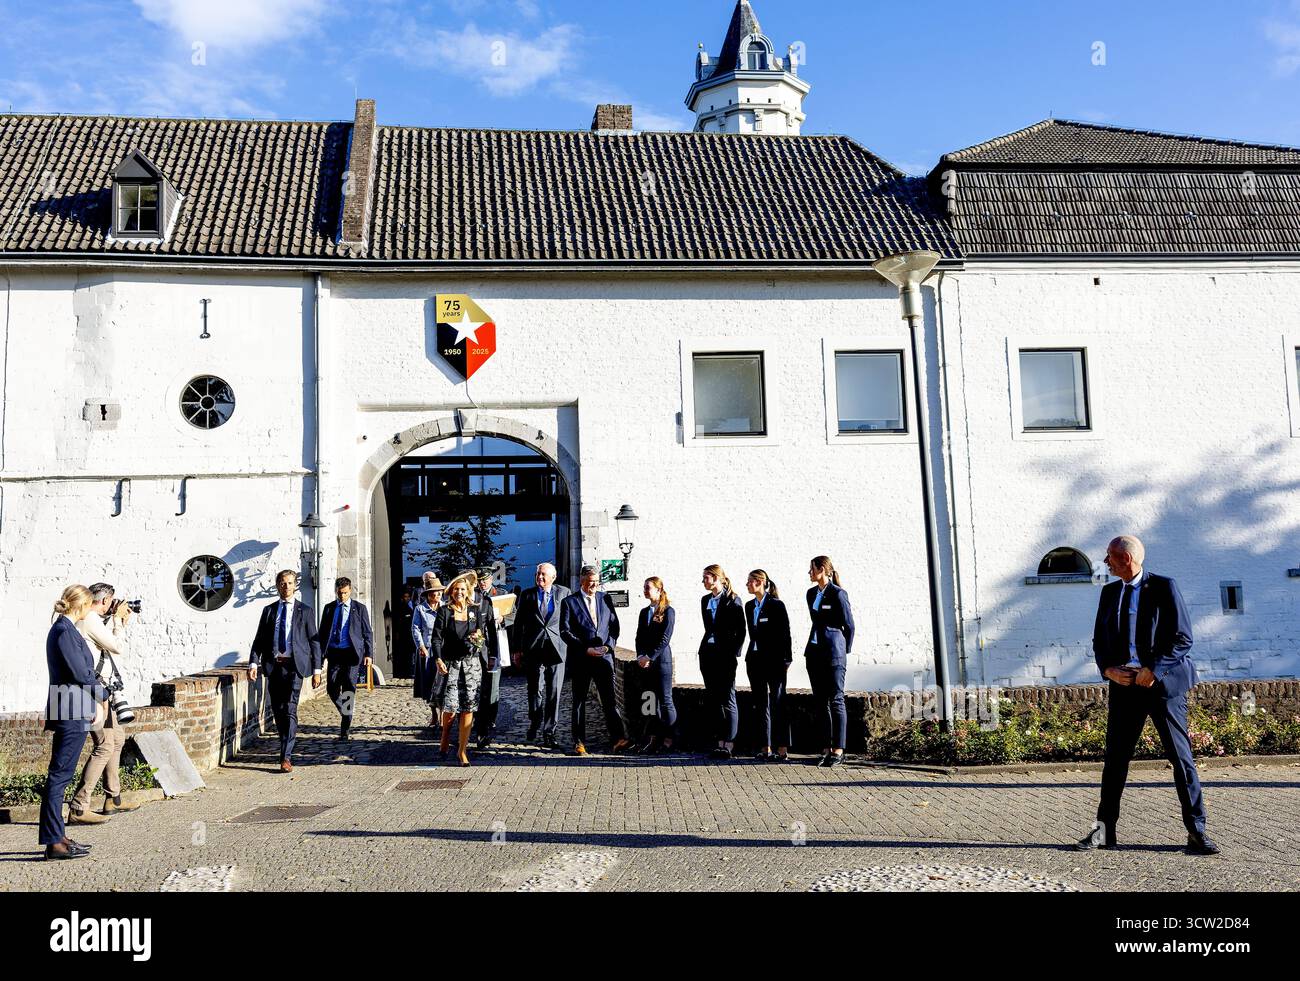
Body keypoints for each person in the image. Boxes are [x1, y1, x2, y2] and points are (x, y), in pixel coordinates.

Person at [1076, 535, 1219, 855]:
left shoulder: (1164, 587)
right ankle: (1104, 832)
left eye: (1110, 557)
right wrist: (1107, 670)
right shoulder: (1110, 593)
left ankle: (1196, 830)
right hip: (1124, 688)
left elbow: (1183, 639)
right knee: (1115, 761)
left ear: (1126, 559)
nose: (1105, 561)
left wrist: (1153, 669)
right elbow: (1100, 640)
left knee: (1181, 760)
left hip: (1162, 687)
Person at [40, 585, 108, 860]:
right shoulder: (63, 631)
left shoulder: (65, 629)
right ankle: (54, 843)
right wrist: (102, 695)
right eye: (90, 604)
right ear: (79, 606)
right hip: (70, 709)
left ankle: (59, 837)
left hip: (74, 706)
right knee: (59, 776)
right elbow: (81, 673)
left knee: (61, 776)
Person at [67, 583, 138, 823]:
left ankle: (113, 798)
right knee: (105, 745)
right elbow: (117, 646)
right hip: (94, 691)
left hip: (104, 690)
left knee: (117, 740)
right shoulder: (90, 619)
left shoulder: (92, 620)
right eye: (112, 601)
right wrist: (118, 622)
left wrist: (116, 620)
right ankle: (79, 807)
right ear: (105, 600)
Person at [248, 570, 321, 772]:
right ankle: (284, 742)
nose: (286, 587)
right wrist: (253, 663)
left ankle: (285, 757)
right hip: (274, 667)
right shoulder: (269, 611)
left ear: (295, 585)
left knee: (290, 709)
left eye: (289, 583)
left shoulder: (305, 611)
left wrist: (317, 669)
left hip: (295, 667)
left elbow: (314, 642)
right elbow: (259, 639)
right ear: (277, 585)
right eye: (282, 583)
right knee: (278, 711)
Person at [560, 565, 630, 756]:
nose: (594, 586)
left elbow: (614, 627)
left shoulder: (605, 598)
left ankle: (618, 739)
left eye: (597, 582)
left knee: (609, 701)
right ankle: (579, 742)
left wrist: (608, 646)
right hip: (582, 659)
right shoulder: (569, 602)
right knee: (579, 702)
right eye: (591, 582)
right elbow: (565, 631)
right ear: (582, 581)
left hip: (604, 658)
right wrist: (585, 649)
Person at [513, 563, 571, 748]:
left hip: (557, 648)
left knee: (554, 691)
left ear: (553, 577)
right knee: (534, 689)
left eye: (543, 575)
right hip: (534, 647)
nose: (540, 577)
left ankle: (549, 731)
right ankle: (535, 720)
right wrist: (516, 650)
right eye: (538, 574)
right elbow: (518, 622)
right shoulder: (527, 595)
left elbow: (570, 620)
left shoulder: (564, 593)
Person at [805, 555, 854, 768]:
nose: (809, 573)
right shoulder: (811, 594)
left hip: (834, 653)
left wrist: (843, 649)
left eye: (812, 569)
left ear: (823, 570)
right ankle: (824, 749)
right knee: (819, 702)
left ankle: (838, 750)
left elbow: (849, 626)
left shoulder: (838, 594)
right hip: (815, 653)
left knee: (836, 700)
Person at [432, 573, 485, 767]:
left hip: (471, 666)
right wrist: (438, 658)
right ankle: (445, 735)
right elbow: (436, 638)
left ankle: (462, 751)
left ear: (467, 591)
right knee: (451, 708)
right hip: (452, 664)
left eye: (462, 589)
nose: (459, 592)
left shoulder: (474, 610)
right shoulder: (444, 611)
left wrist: (478, 641)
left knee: (468, 707)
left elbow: (480, 633)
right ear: (451, 592)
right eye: (456, 589)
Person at [317, 577, 374, 742]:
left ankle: (345, 728)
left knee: (348, 686)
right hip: (334, 652)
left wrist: (369, 654)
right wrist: (319, 660)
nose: (342, 596)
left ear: (350, 591)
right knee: (332, 689)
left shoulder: (359, 608)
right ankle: (346, 711)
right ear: (336, 591)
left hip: (352, 653)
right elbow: (322, 634)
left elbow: (367, 632)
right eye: (339, 593)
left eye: (345, 593)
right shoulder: (329, 609)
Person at [698, 564, 746, 760]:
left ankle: (730, 743)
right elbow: (709, 628)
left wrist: (732, 652)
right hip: (708, 654)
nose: (703, 582)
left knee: (728, 698)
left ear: (716, 578)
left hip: (724, 656)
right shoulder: (705, 601)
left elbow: (741, 630)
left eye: (706, 578)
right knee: (714, 699)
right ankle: (719, 743)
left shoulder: (733, 600)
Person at [744, 569, 792, 762]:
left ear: (760, 582)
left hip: (774, 661)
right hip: (755, 660)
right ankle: (765, 747)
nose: (747, 585)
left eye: (750, 581)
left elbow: (785, 634)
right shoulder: (749, 606)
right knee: (760, 703)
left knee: (778, 702)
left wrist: (786, 659)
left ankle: (782, 748)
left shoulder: (776, 605)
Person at [633, 576, 677, 754]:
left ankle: (669, 738)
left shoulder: (668, 611)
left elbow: (665, 639)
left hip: (661, 662)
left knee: (665, 701)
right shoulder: (645, 612)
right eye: (644, 587)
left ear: (659, 590)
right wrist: (640, 656)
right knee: (649, 701)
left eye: (648, 588)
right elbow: (639, 637)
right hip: (646, 663)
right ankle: (652, 738)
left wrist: (650, 656)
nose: (645, 590)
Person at [473, 567, 509, 750]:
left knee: (493, 687)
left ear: (491, 579)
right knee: (478, 688)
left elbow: (513, 615)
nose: (483, 583)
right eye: (480, 580)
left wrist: (503, 618)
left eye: (485, 580)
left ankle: (490, 718)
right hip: (478, 647)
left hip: (496, 644)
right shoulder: (473, 595)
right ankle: (478, 721)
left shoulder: (500, 594)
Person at [412, 578, 445, 728]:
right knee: (430, 683)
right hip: (428, 649)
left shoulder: (445, 608)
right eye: (434, 593)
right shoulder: (420, 609)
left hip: (444, 649)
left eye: (439, 592)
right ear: (428, 594)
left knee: (444, 683)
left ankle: (443, 713)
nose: (437, 595)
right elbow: (416, 628)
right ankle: (433, 714)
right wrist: (421, 646)